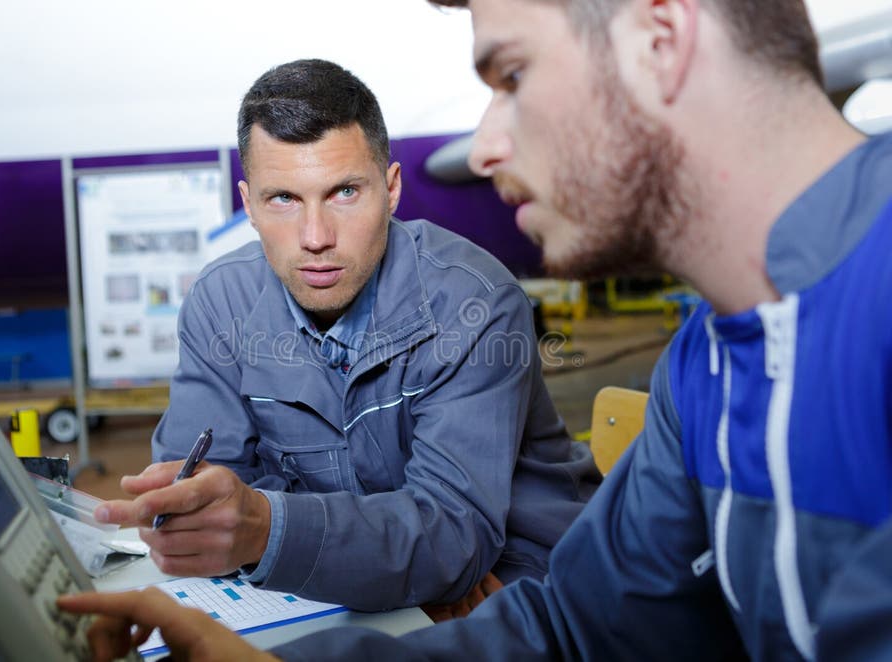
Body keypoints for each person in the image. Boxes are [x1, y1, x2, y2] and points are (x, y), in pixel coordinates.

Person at [60, 0, 892, 659]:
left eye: (513, 75)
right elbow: (572, 627)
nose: (486, 147)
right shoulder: (701, 364)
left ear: (662, 40)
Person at [89, 58, 600, 616]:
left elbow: (453, 538)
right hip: (336, 594)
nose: (315, 238)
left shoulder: (474, 303)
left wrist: (265, 524)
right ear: (249, 204)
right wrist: (384, 552)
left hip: (524, 586)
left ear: (392, 188)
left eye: (344, 193)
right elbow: (205, 509)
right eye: (283, 199)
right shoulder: (220, 304)